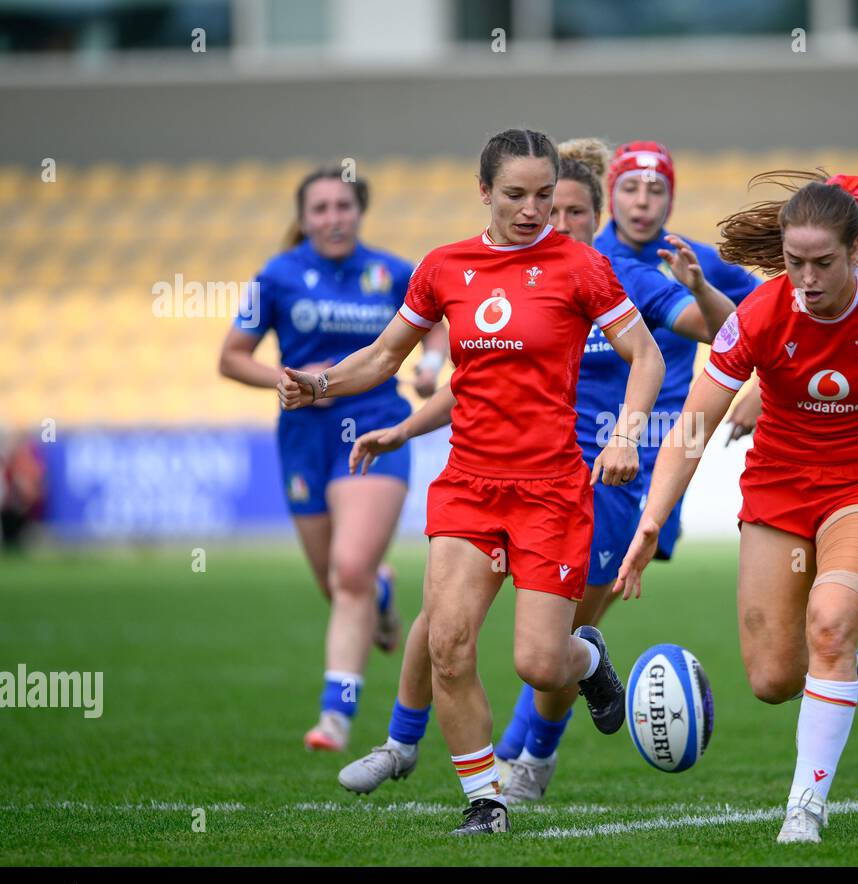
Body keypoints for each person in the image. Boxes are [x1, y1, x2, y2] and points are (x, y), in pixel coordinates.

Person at [278, 129, 665, 835]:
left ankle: (587, 658)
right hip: (468, 486)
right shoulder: (445, 267)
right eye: (515, 195)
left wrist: (626, 435)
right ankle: (485, 800)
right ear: (483, 190)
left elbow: (647, 357)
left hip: (551, 488)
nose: (532, 210)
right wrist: (322, 382)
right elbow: (385, 354)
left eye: (545, 196)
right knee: (448, 643)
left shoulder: (581, 267)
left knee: (541, 663)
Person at [336, 137, 738, 805]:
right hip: (494, 475)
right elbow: (473, 380)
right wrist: (402, 426)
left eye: (567, 210)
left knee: (547, 652)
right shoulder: (504, 272)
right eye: (540, 205)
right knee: (442, 621)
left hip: (602, 481)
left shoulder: (612, 273)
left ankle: (533, 759)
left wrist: (703, 305)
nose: (551, 222)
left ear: (591, 215)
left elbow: (716, 333)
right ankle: (413, 749)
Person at [616, 170, 858, 844]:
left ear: (855, 251)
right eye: (793, 263)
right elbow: (694, 426)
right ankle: (833, 669)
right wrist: (650, 519)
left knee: (832, 623)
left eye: (823, 263)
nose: (806, 280)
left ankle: (803, 809)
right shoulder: (758, 315)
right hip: (777, 497)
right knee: (773, 679)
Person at [218, 165, 444, 751]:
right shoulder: (277, 275)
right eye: (319, 209)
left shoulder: (393, 272)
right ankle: (384, 594)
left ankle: (335, 715)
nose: (332, 218)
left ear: (359, 211)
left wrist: (426, 365)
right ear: (303, 218)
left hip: (373, 426)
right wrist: (286, 379)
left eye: (342, 206)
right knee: (337, 580)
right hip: (302, 440)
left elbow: (438, 324)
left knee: (348, 572)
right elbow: (232, 357)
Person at [597, 141, 760, 560]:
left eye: (656, 191)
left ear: (671, 200)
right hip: (595, 436)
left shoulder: (695, 260)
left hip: (671, 439)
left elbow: (776, 318)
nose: (642, 201)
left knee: (628, 558)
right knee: (592, 563)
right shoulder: (587, 260)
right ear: (610, 194)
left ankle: (573, 630)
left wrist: (761, 392)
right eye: (630, 188)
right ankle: (569, 630)